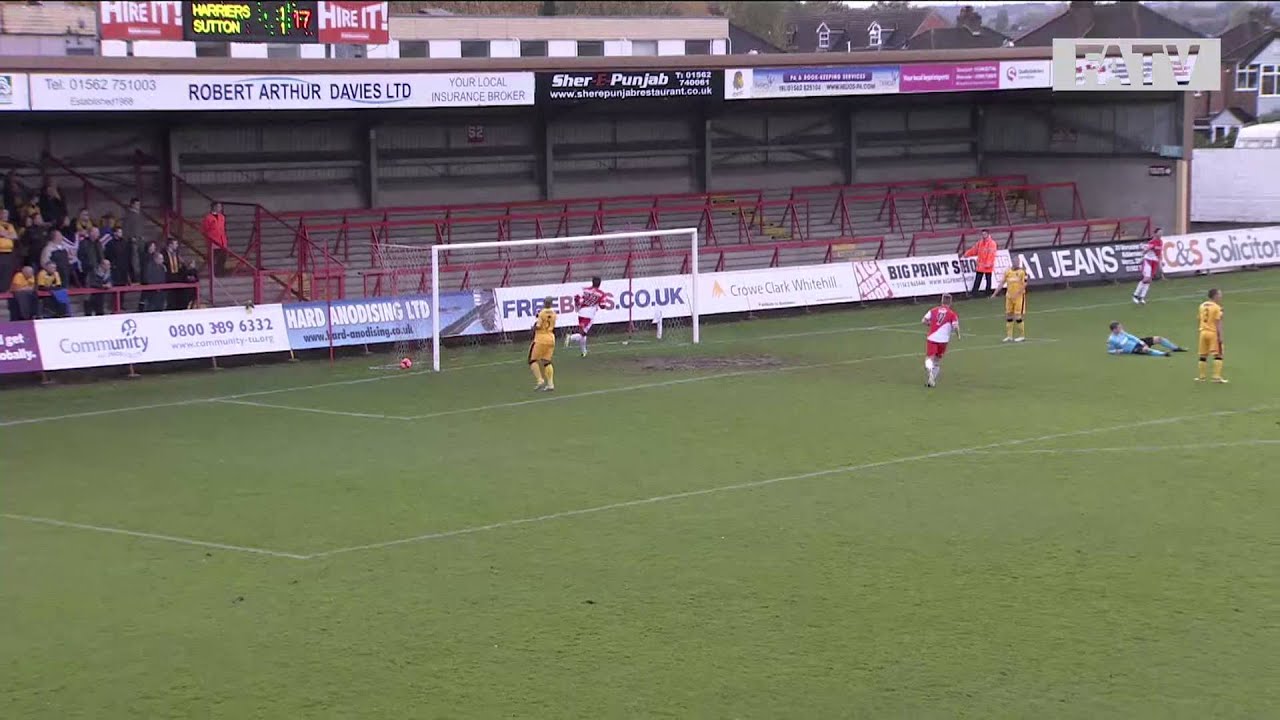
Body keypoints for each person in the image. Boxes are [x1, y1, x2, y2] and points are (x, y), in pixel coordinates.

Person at [922, 293, 960, 388]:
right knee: (937, 361)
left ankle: (930, 374)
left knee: (929, 358)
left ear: (941, 301)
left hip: (932, 338)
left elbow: (924, 320)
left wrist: (931, 324)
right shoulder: (952, 314)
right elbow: (955, 327)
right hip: (943, 340)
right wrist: (958, 335)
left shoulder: (933, 310)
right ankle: (932, 378)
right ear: (950, 302)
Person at [565, 276, 607, 357]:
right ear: (599, 284)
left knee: (583, 333)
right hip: (589, 314)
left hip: (581, 312)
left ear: (592, 282)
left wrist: (579, 303)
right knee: (583, 333)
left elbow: (578, 298)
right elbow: (603, 305)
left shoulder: (585, 290)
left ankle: (583, 351)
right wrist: (597, 303)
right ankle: (570, 338)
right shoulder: (601, 294)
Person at [991, 256, 1029, 342]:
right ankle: (1009, 336)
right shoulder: (1008, 272)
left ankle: (1022, 335)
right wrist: (994, 293)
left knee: (1018, 316)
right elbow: (1002, 283)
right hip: (1009, 297)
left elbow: (1025, 284)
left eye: (1018, 262)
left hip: (1019, 297)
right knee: (1009, 315)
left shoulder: (1023, 272)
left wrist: (1018, 293)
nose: (1016, 263)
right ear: (1012, 262)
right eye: (1015, 261)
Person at [1196, 288, 1227, 383]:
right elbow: (1218, 323)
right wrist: (1220, 336)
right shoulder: (1217, 308)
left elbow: (1199, 318)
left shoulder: (1202, 306)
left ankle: (1201, 377)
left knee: (1203, 355)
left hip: (1203, 332)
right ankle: (1216, 377)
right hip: (1213, 333)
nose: (1221, 296)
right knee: (1218, 355)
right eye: (1220, 294)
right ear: (1215, 296)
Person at [529, 296, 558, 392]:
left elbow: (538, 326)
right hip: (551, 338)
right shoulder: (554, 313)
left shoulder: (541, 313)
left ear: (544, 303)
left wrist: (533, 327)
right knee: (547, 361)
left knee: (532, 360)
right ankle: (550, 384)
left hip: (541, 339)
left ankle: (540, 380)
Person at [1106, 322, 1184, 357]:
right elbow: (1110, 351)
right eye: (1119, 328)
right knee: (1146, 350)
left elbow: (1131, 337)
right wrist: (1117, 351)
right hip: (1133, 349)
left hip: (1138, 342)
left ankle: (1175, 348)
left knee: (1158, 338)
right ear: (1114, 330)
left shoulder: (1122, 332)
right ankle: (1163, 354)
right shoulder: (1111, 339)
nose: (1121, 328)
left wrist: (1141, 342)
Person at [963, 229, 998, 296]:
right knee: (978, 279)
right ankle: (974, 293)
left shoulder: (992, 243)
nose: (983, 236)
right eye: (982, 234)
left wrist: (988, 263)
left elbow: (991, 254)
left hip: (987, 265)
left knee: (988, 280)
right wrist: (966, 254)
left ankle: (987, 293)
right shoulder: (980, 243)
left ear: (988, 234)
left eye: (984, 234)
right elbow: (974, 250)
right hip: (981, 265)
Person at [1133, 228, 1163, 305]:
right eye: (1159, 232)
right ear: (1155, 233)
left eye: (1161, 232)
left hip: (1155, 261)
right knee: (1146, 278)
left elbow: (1159, 254)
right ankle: (1135, 295)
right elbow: (1145, 251)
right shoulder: (1152, 242)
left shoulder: (1161, 242)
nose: (1161, 234)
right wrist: (1147, 249)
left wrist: (1160, 263)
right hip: (1148, 260)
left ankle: (1141, 297)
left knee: (1149, 280)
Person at [202, 201, 228, 277]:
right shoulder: (208, 218)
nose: (220, 208)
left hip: (222, 241)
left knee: (223, 258)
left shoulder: (222, 217)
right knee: (213, 259)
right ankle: (213, 274)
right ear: (214, 207)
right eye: (218, 206)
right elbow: (204, 230)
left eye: (220, 207)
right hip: (213, 241)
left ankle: (220, 273)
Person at [141, 247, 167, 312]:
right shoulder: (149, 267)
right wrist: (155, 287)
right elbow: (147, 278)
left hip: (161, 292)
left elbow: (163, 278)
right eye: (161, 259)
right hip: (152, 293)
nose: (162, 260)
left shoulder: (162, 267)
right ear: (156, 259)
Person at [0, 207, 16, 292]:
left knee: (7, 272)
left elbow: (15, 236)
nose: (6, 215)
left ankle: (4, 290)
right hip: (0, 252)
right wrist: (9, 235)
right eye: (4, 213)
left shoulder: (10, 225)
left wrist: (5, 235)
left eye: (7, 214)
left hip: (9, 252)